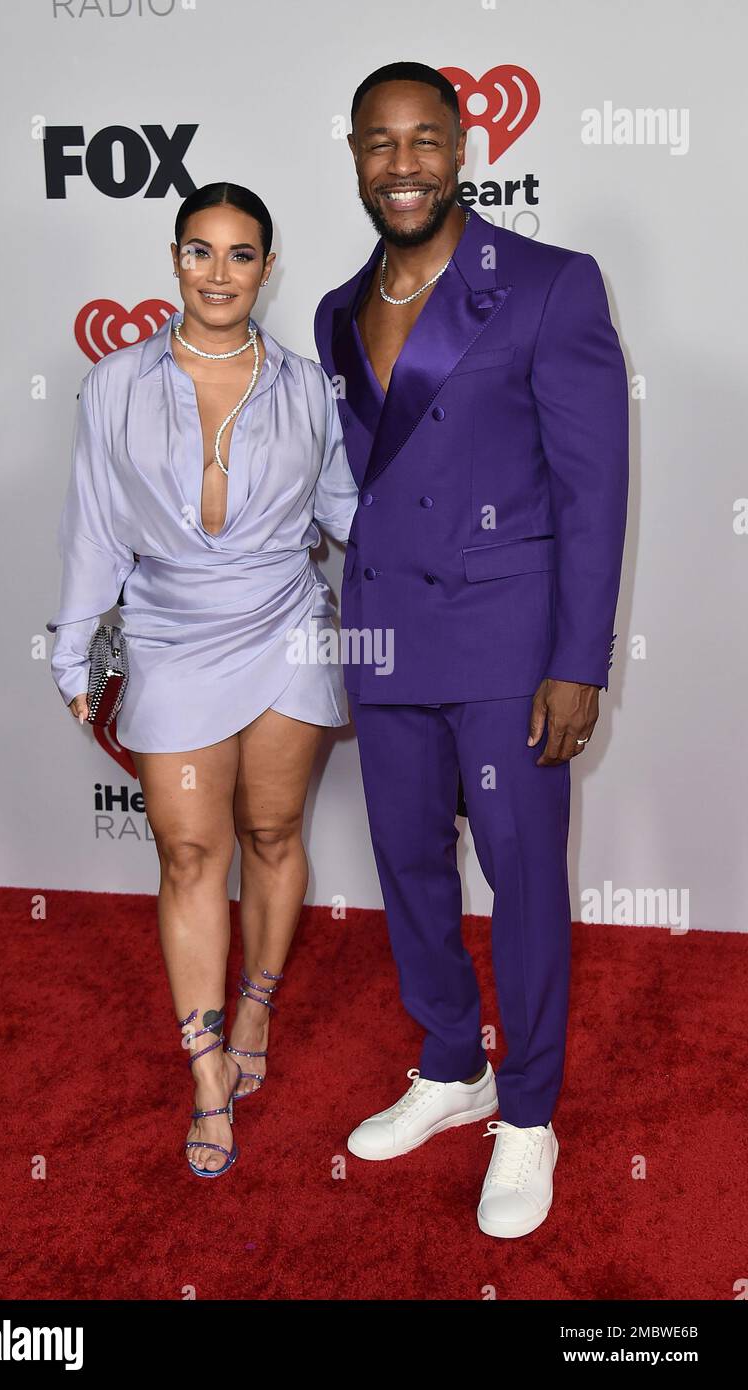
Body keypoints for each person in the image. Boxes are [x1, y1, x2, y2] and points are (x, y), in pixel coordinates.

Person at [314, 63, 628, 1237]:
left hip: (508, 642)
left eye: (424, 140)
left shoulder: (549, 286)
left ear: (462, 147)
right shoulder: (336, 308)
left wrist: (578, 659)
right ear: (354, 155)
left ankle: (530, 1112)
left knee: (524, 878)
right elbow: (366, 488)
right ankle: (455, 1065)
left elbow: (596, 490)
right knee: (406, 863)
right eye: (379, 143)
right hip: (389, 630)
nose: (403, 164)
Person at [47, 183, 358, 1178]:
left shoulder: (312, 388)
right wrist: (72, 638)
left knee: (272, 833)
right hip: (171, 633)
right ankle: (207, 1066)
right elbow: (93, 521)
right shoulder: (115, 383)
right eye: (199, 251)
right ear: (173, 260)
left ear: (268, 268)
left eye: (239, 254)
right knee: (189, 853)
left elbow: (352, 513)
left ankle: (258, 1000)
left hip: (285, 625)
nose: (218, 272)